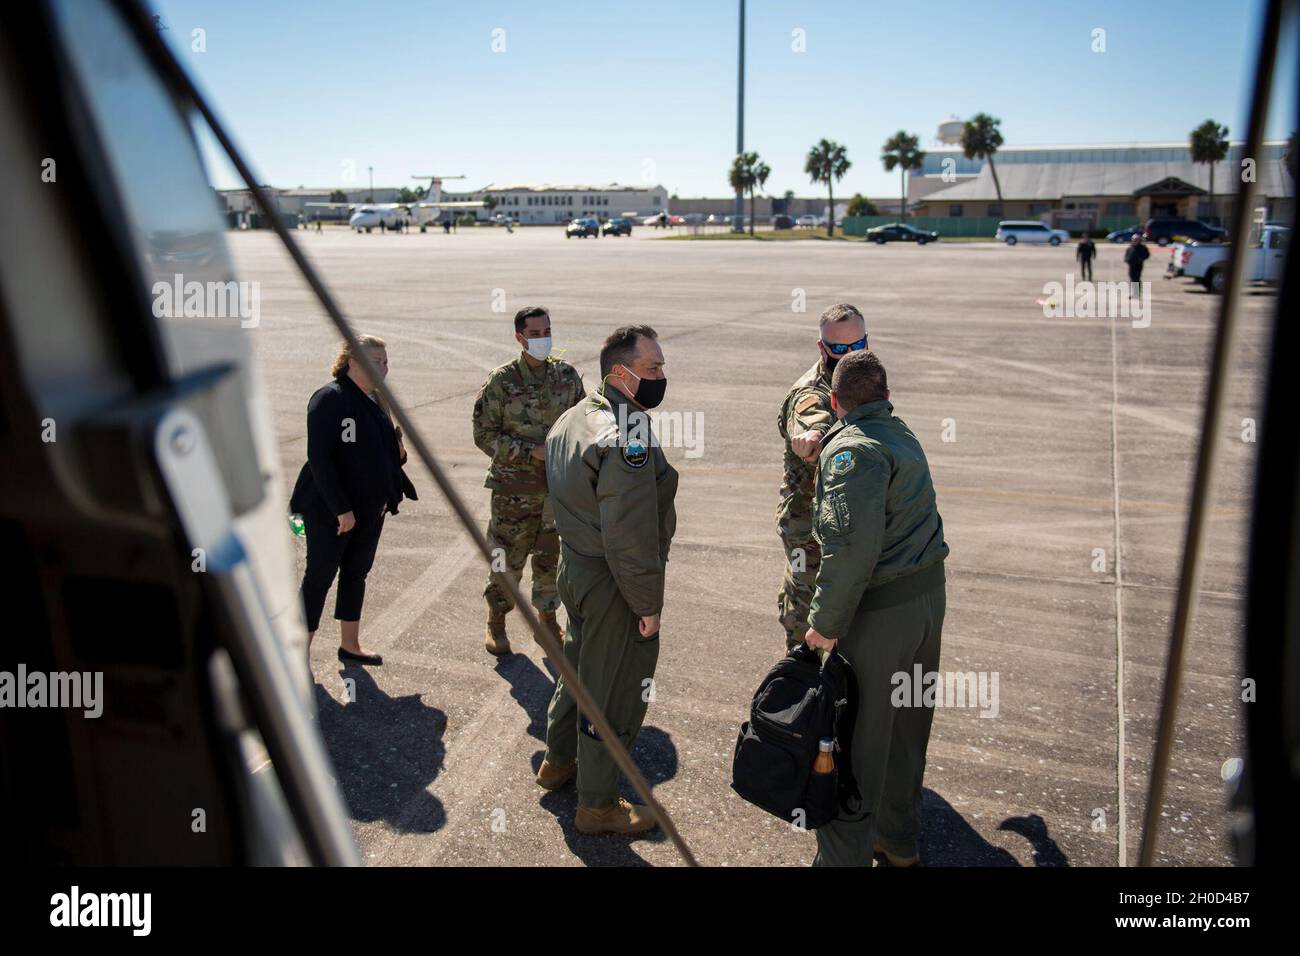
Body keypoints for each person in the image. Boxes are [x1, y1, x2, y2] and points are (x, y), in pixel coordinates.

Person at [803, 349, 949, 867]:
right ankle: (897, 839)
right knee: (907, 729)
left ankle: (843, 860)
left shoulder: (852, 452)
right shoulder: (900, 432)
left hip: (882, 611)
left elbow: (851, 550)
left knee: (854, 743)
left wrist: (824, 623)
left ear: (837, 403)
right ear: (886, 396)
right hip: (927, 603)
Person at [535, 325, 677, 835]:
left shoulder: (573, 416)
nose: (663, 377)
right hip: (615, 579)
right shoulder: (628, 434)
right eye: (653, 368)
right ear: (621, 373)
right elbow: (630, 532)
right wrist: (646, 604)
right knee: (612, 689)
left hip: (577, 568)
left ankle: (557, 762)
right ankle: (597, 804)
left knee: (578, 668)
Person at [289, 335, 417, 667]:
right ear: (352, 363)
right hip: (330, 510)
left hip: (369, 508)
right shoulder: (329, 399)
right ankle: (297, 654)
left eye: (385, 361)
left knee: (356, 574)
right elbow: (319, 460)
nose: (383, 368)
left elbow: (386, 448)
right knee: (318, 577)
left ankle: (350, 644)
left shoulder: (376, 399)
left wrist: (398, 452)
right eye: (375, 361)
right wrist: (340, 509)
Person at [472, 306, 585, 656]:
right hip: (513, 492)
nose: (543, 339)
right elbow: (483, 434)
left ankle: (547, 620)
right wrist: (527, 452)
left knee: (551, 558)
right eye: (535, 334)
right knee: (507, 559)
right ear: (520, 338)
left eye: (547, 331)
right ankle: (496, 620)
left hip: (555, 491)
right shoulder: (502, 381)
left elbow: (583, 424)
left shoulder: (566, 377)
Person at [777, 303, 869, 650]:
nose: (849, 355)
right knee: (810, 623)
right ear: (822, 348)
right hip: (811, 528)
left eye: (857, 346)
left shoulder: (862, 379)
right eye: (839, 349)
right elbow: (811, 419)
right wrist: (812, 436)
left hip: (845, 520)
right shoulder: (810, 391)